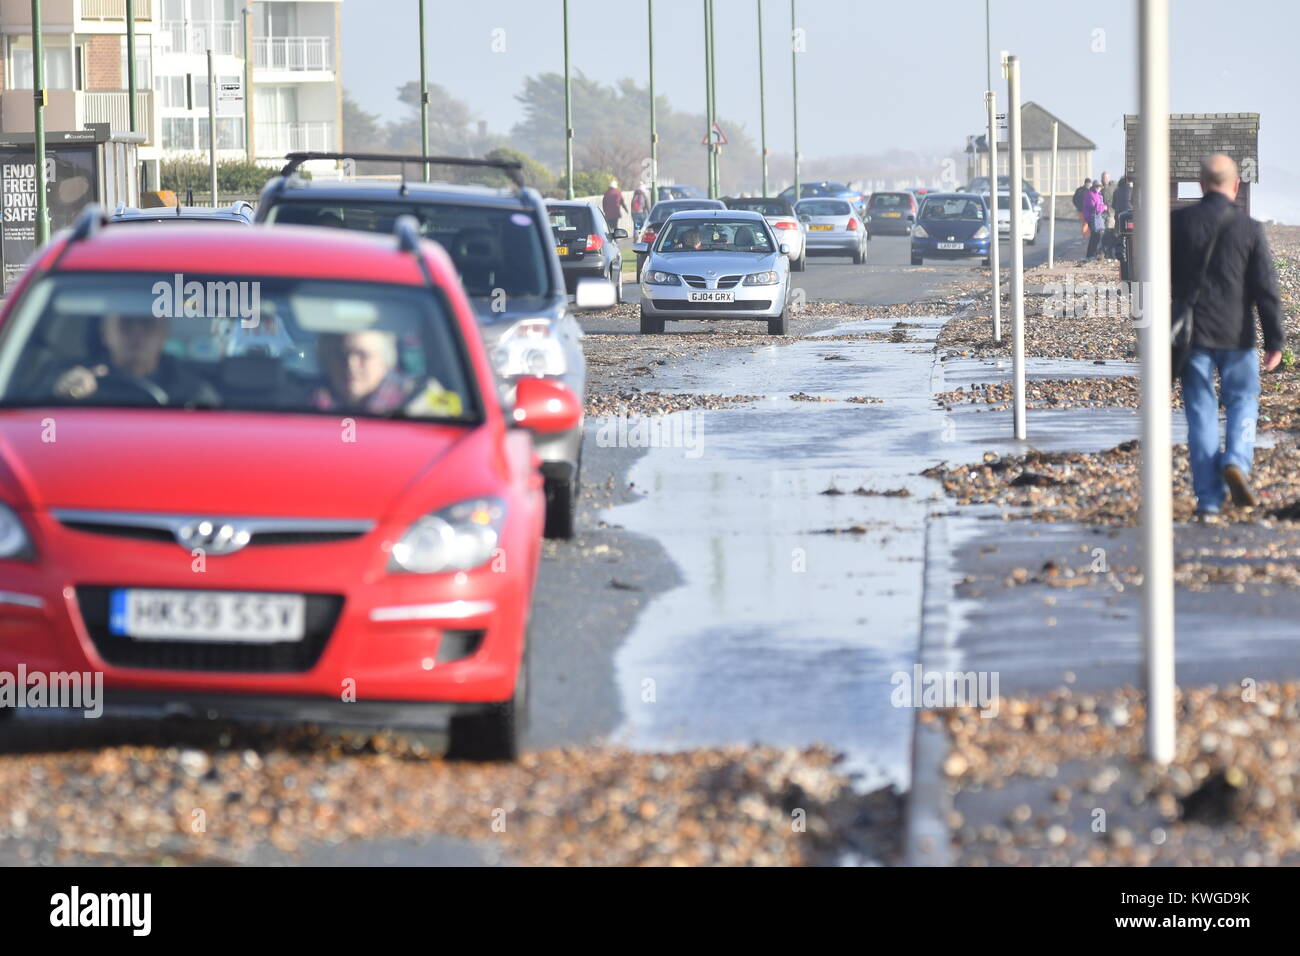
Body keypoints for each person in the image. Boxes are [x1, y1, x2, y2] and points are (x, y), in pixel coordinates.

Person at [1171, 154, 1285, 519]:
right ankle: (1237, 459)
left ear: (1201, 184)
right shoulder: (1248, 228)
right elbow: (1266, 288)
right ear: (1235, 185)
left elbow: (1156, 280)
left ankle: (1208, 502)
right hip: (1237, 336)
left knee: (1201, 415)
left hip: (1192, 336)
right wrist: (1275, 341)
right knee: (1243, 402)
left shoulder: (1179, 223)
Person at [50, 314, 217, 406]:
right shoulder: (74, 381)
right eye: (126, 323)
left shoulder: (193, 392)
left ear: (163, 335)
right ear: (104, 333)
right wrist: (64, 395)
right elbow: (43, 433)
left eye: (148, 323)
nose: (137, 333)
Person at [313, 329, 460, 417]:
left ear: (385, 362)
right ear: (326, 360)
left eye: (363, 355)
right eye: (341, 354)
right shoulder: (298, 404)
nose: (351, 365)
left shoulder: (423, 408)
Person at [1084, 182, 1107, 259]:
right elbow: (1096, 208)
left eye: (1099, 187)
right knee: (1095, 236)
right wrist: (1104, 207)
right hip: (1091, 218)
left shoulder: (1098, 195)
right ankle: (1090, 254)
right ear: (1094, 187)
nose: (1098, 188)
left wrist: (1102, 206)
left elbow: (1098, 206)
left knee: (1095, 236)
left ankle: (1091, 254)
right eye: (1097, 187)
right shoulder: (1091, 194)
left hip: (1094, 218)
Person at [1099, 172, 1118, 258]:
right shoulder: (1103, 189)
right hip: (1106, 214)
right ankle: (1108, 252)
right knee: (1107, 233)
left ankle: (1108, 253)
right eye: (1103, 178)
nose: (1104, 180)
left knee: (1109, 233)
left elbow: (1109, 201)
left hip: (1110, 213)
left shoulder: (1108, 189)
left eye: (1106, 178)